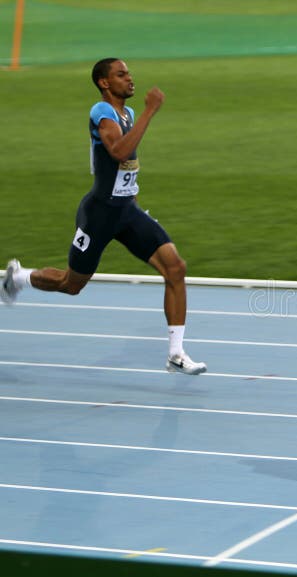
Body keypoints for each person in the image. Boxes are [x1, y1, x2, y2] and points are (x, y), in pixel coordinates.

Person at [0, 58, 206, 375]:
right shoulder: (102, 113)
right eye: (121, 75)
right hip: (98, 215)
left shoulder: (128, 113)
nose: (130, 79)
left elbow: (127, 163)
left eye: (130, 73)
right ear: (104, 83)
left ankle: (176, 353)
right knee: (71, 285)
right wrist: (151, 110)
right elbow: (119, 152)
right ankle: (17, 278)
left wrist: (133, 197)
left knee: (175, 267)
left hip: (126, 210)